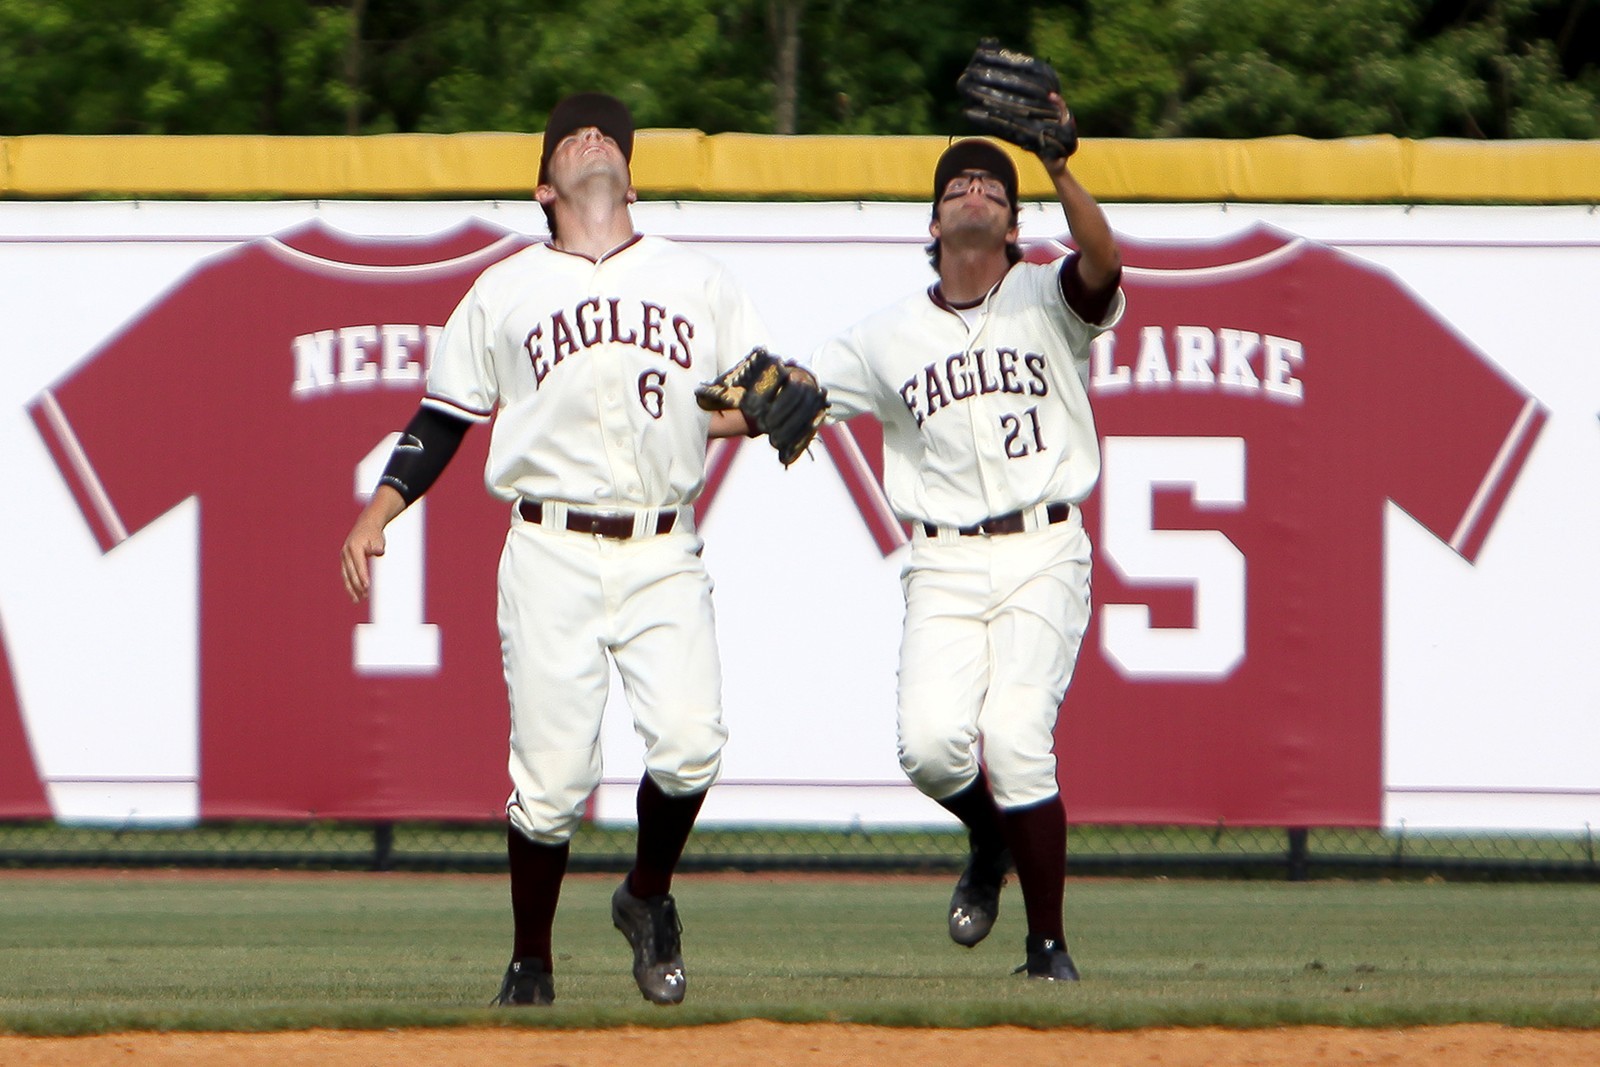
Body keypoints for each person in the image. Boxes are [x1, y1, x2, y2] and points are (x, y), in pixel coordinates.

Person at [339, 92, 774, 1007]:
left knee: (691, 747)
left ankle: (644, 895)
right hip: (550, 549)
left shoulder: (698, 281)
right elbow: (444, 416)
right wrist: (379, 510)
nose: (593, 136)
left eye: (608, 133)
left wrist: (778, 404)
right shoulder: (506, 289)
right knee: (551, 782)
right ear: (544, 187)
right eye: (571, 135)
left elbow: (735, 403)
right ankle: (530, 963)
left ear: (631, 177)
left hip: (662, 543)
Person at [802, 106, 1123, 980]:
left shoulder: (1047, 295)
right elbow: (789, 392)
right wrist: (740, 402)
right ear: (934, 222)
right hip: (942, 558)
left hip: (1042, 547)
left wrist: (1060, 169)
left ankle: (1048, 949)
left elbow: (1105, 261)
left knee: (1015, 736)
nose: (975, 190)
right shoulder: (884, 337)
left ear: (1014, 226)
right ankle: (990, 837)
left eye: (993, 186)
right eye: (958, 185)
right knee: (930, 745)